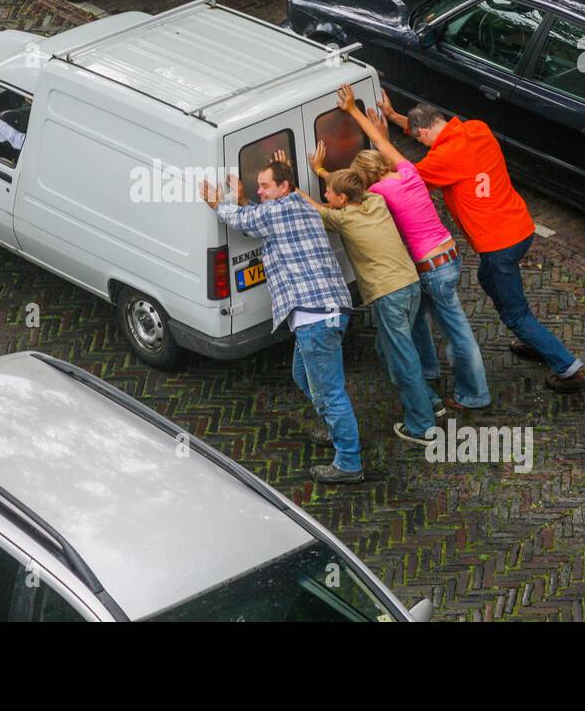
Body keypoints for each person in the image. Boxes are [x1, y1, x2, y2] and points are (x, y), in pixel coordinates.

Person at [379, 93, 585, 393]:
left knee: (516, 315)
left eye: (420, 140)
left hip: (498, 245)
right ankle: (534, 338)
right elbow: (425, 129)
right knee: (486, 277)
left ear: (424, 132)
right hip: (520, 228)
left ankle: (569, 369)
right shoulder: (477, 128)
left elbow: (406, 175)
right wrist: (394, 115)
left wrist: (383, 134)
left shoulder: (442, 159)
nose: (422, 146)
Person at [200, 159, 363, 484]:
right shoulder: (298, 205)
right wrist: (246, 198)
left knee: (330, 393)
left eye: (264, 186)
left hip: (314, 317)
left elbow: (239, 219)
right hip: (331, 309)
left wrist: (217, 201)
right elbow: (255, 221)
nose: (259, 191)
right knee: (301, 373)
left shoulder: (274, 212)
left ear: (284, 186)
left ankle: (349, 462)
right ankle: (335, 427)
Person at [334, 85, 491, 410]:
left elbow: (349, 195)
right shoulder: (408, 172)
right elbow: (380, 144)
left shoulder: (377, 194)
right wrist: (354, 111)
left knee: (457, 332)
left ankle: (475, 394)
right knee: (417, 315)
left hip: (429, 267)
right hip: (448, 255)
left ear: (365, 178)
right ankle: (428, 370)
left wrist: (323, 171)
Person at [280, 146, 441, 446]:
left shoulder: (343, 219)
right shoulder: (375, 201)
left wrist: (288, 183)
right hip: (409, 284)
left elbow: (311, 207)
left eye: (329, 192)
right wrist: (321, 171)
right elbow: (349, 186)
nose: (326, 194)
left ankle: (422, 426)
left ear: (342, 200)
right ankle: (430, 400)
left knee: (403, 359)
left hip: (388, 294)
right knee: (388, 350)